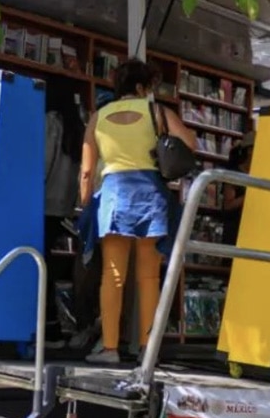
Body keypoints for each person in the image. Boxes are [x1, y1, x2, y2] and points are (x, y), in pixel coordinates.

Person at [79, 58, 197, 365]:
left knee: (112, 276)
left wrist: (85, 204)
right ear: (143, 87)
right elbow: (190, 143)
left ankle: (109, 348)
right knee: (148, 278)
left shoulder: (98, 116)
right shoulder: (157, 111)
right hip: (150, 196)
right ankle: (147, 347)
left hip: (114, 197)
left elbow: (87, 170)